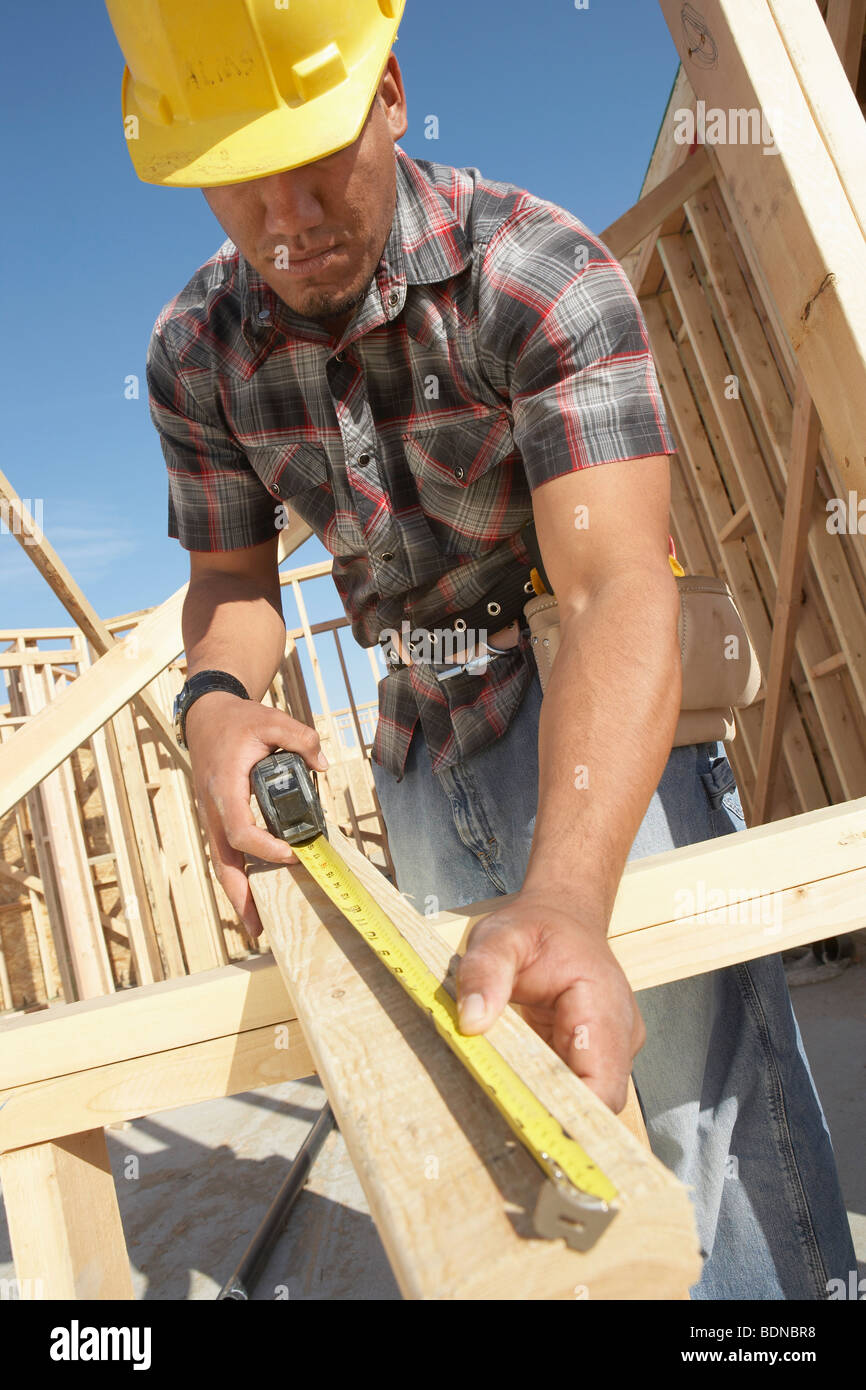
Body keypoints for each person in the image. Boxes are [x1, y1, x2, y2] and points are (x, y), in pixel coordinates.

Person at [106, 0, 856, 1299]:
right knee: (502, 1129)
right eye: (239, 181)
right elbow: (230, 578)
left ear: (388, 94)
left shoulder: (540, 270)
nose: (284, 217)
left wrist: (570, 893)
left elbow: (616, 579)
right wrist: (216, 700)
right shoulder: (194, 355)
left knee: (699, 1127)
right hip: (412, 734)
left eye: (311, 157)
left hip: (588, 702)